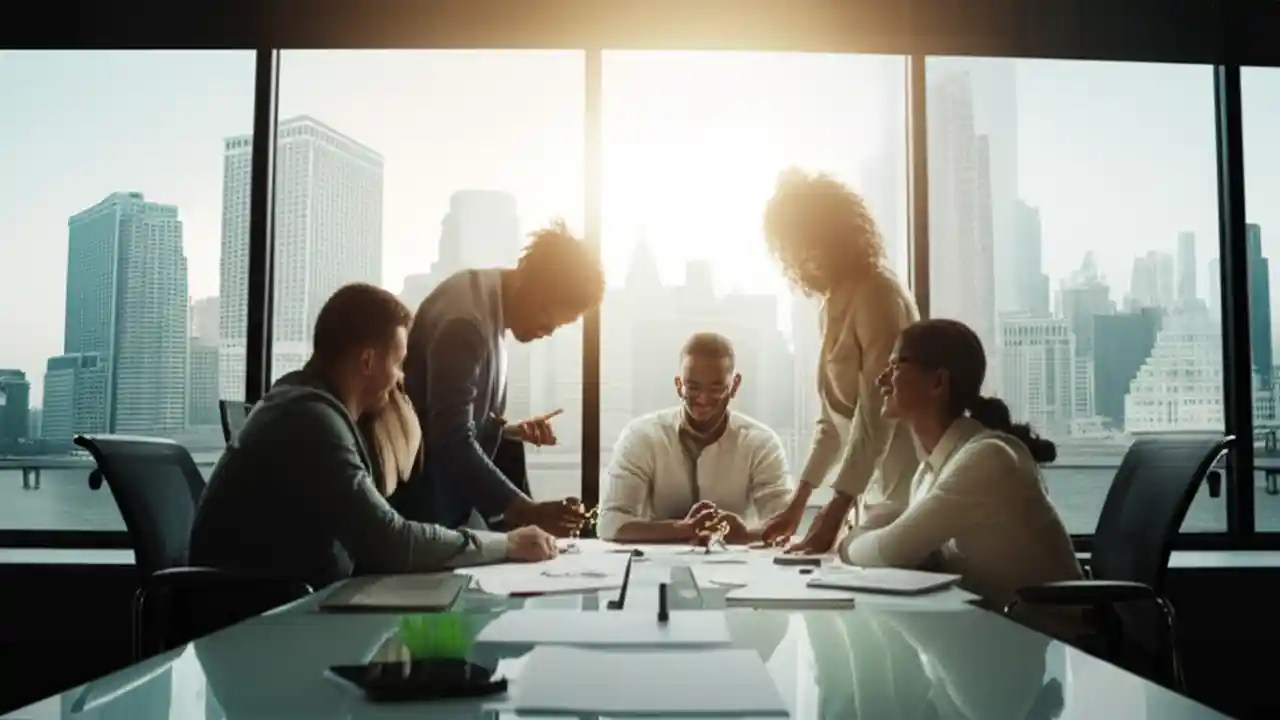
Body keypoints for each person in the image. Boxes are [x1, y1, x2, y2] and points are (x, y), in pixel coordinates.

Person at [190, 283, 558, 589]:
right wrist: (505, 545)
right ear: (367, 361)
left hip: (288, 604)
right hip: (258, 623)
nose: (400, 378)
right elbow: (389, 542)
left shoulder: (306, 406)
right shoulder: (311, 422)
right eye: (398, 362)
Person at [838, 318, 1083, 617]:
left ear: (938, 382)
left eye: (896, 366)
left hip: (1052, 644)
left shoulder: (987, 459)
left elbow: (889, 550)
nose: (882, 380)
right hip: (996, 631)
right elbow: (903, 543)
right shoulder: (930, 472)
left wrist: (846, 543)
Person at [397, 219, 605, 536]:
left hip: (447, 509)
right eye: (549, 313)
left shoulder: (478, 294)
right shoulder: (467, 324)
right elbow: (450, 439)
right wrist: (528, 511)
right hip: (428, 520)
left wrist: (507, 432)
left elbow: (439, 412)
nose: (548, 330)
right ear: (529, 282)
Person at [758, 168, 921, 553]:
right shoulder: (831, 305)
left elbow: (878, 410)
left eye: (809, 242)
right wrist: (797, 506)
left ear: (836, 236)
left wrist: (833, 512)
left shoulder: (877, 293)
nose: (801, 257)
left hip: (901, 485)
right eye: (792, 247)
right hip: (866, 489)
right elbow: (831, 424)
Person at [598, 332, 792, 543]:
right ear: (678, 385)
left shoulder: (761, 443)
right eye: (693, 387)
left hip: (733, 567)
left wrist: (744, 535)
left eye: (716, 387)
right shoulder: (641, 436)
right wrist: (682, 529)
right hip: (657, 566)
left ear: (735, 385)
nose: (703, 398)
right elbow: (610, 523)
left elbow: (784, 525)